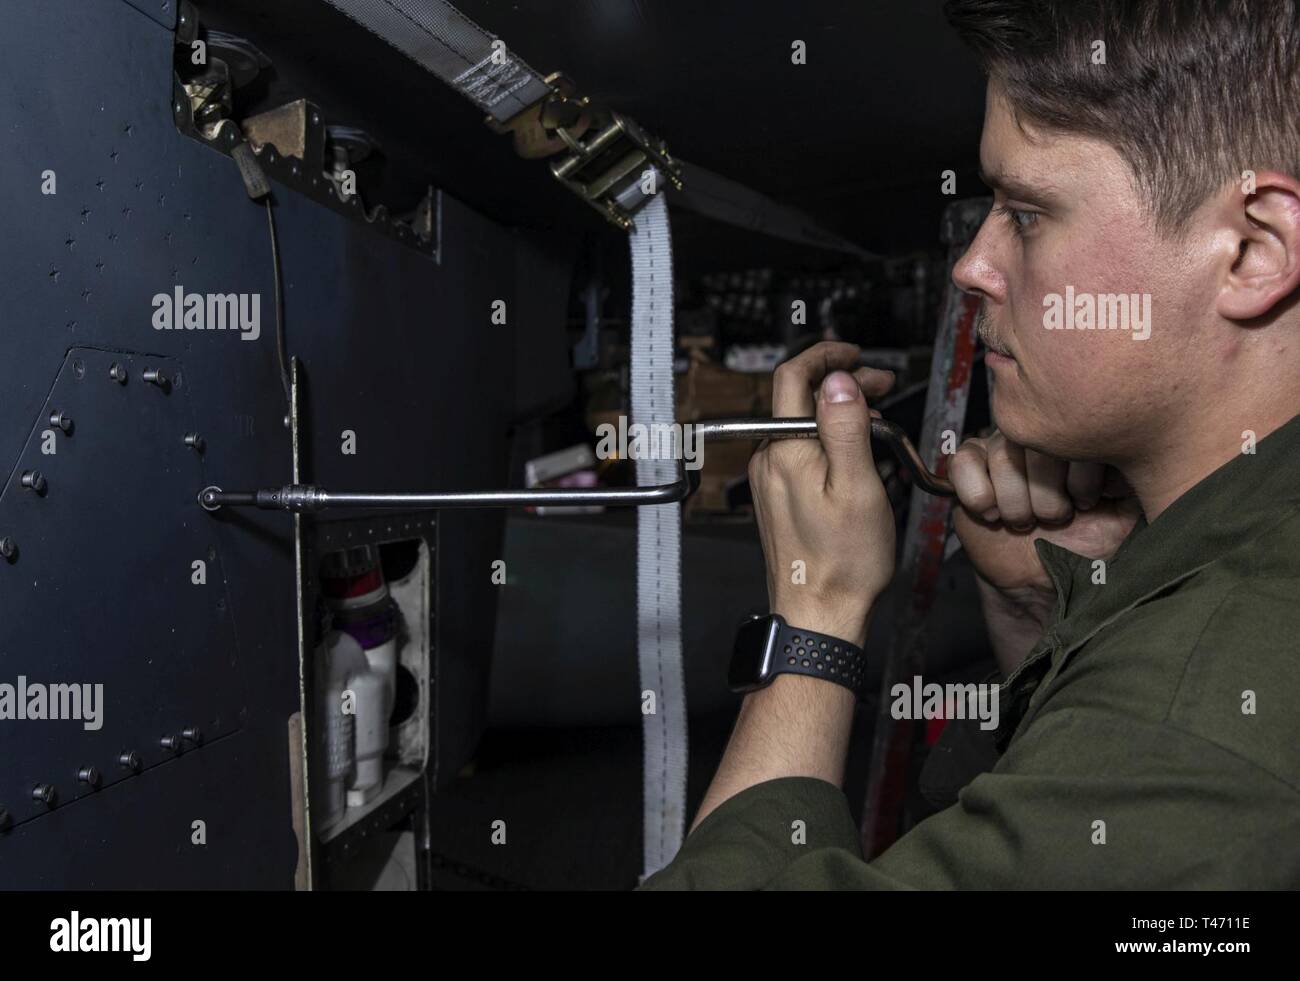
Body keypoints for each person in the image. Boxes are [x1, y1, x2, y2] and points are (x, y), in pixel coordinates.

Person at [641, 0, 1300, 889]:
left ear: (1252, 252)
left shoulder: (1196, 730)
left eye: (1027, 214)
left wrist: (816, 613)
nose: (973, 263)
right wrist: (1048, 615)